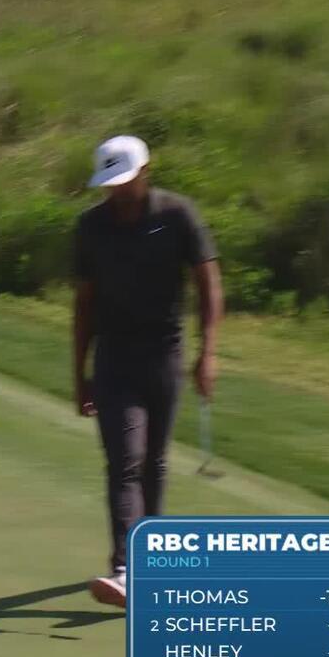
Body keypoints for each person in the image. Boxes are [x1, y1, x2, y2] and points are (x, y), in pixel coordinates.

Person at [72, 136, 224, 607]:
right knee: (125, 461)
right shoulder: (91, 226)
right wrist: (79, 373)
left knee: (154, 461)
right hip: (115, 358)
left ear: (145, 171)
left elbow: (208, 283)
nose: (116, 191)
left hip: (165, 356)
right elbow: (84, 303)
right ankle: (125, 568)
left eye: (123, 181)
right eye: (109, 184)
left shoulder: (177, 215)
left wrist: (208, 352)